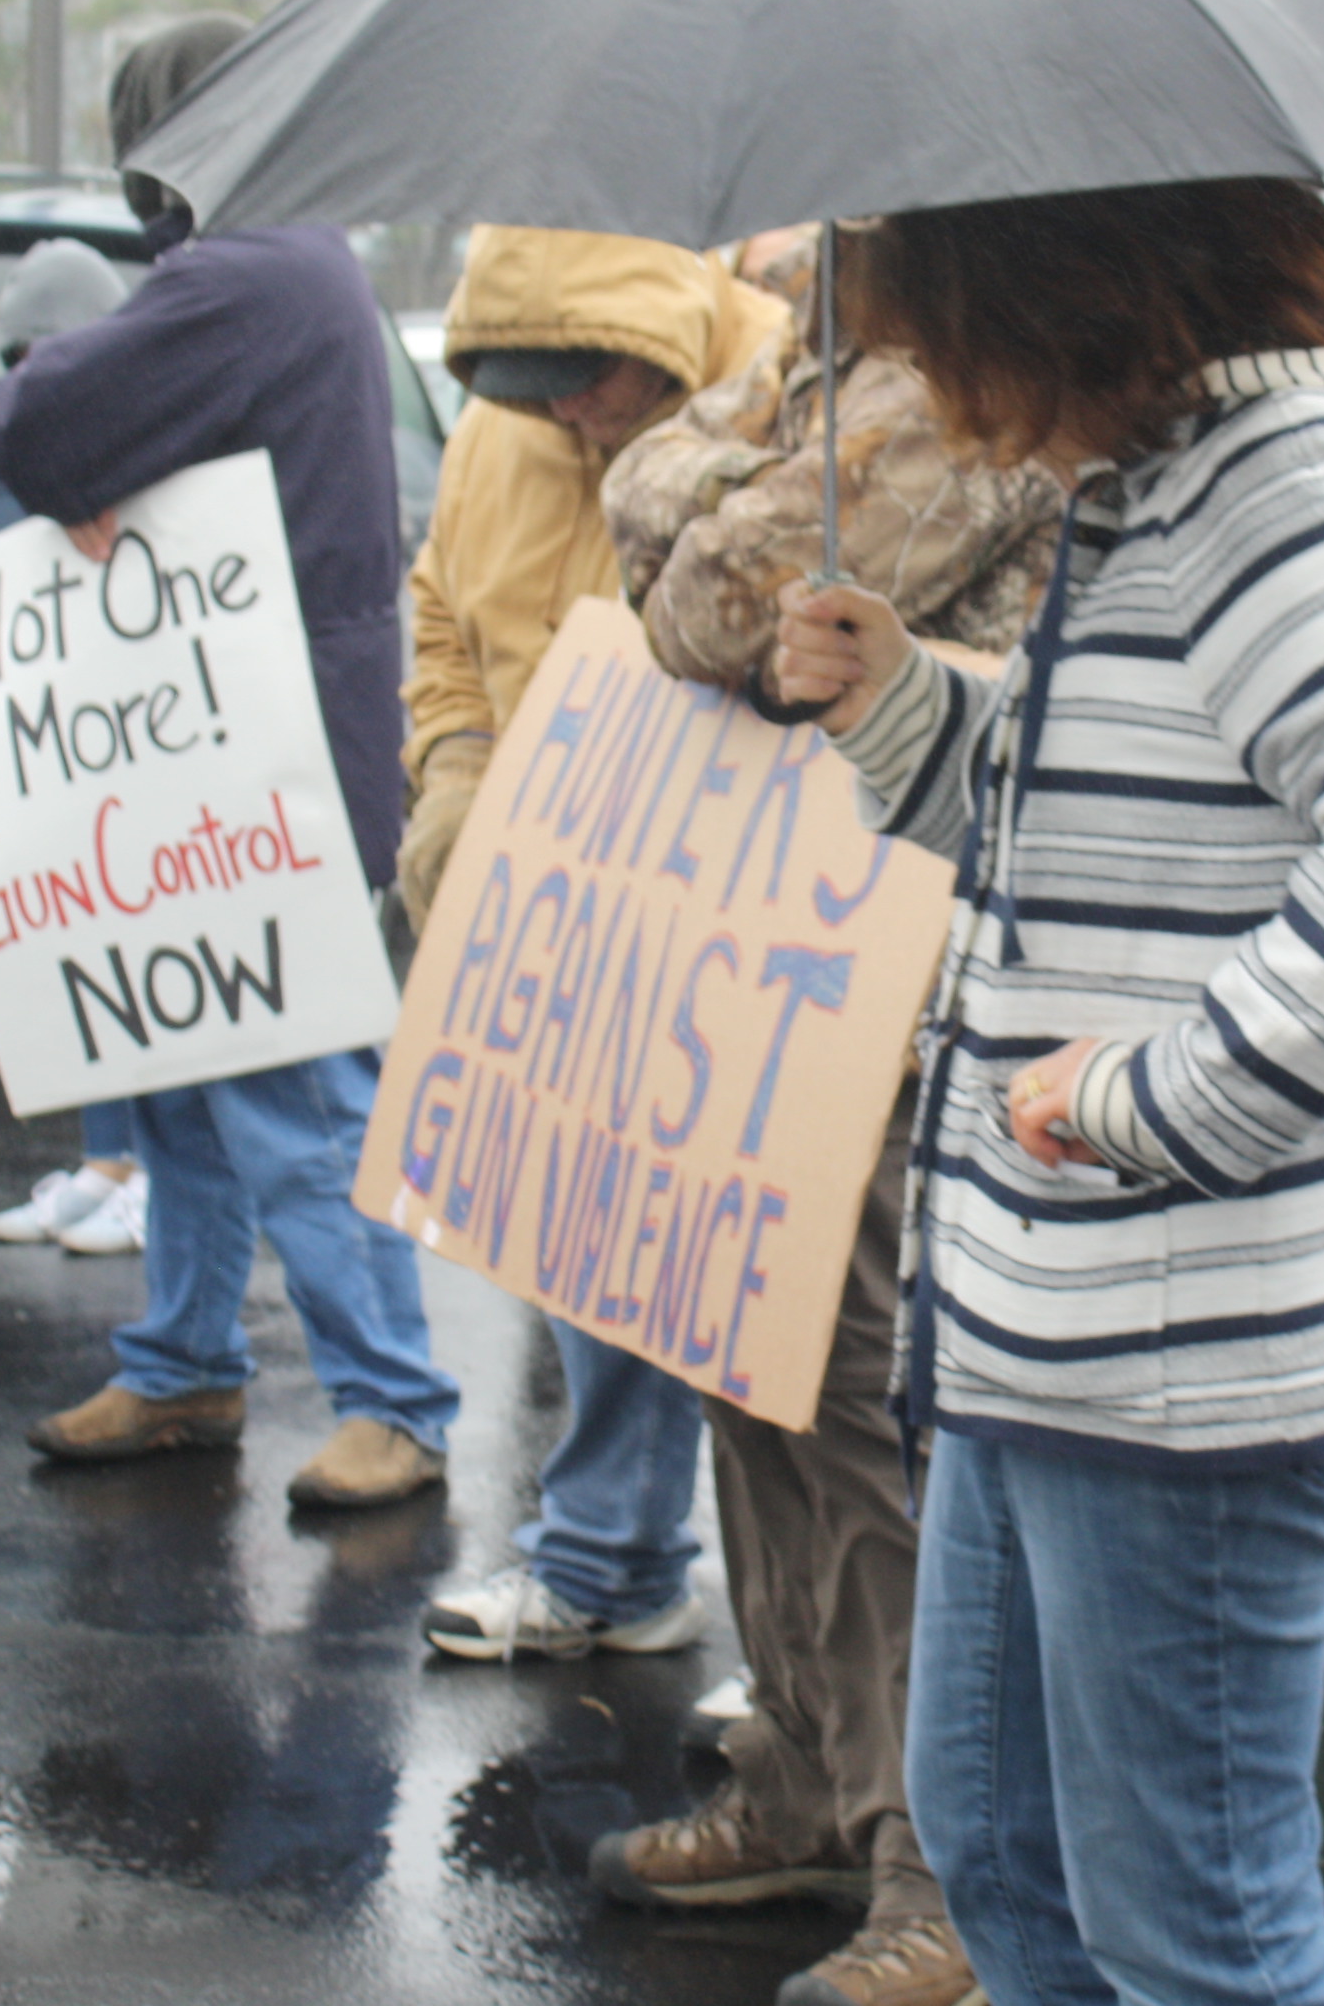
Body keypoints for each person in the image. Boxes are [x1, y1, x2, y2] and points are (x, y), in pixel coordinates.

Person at [769, 179, 1324, 2006]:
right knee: (1009, 1862)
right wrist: (901, 705)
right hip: (1067, 1332)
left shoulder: (1287, 487)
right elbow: (1104, 836)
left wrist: (1167, 1099)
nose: (932, 385)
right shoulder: (1166, 484)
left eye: (934, 332)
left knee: (1191, 1934)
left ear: (1046, 294)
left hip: (1187, 1353)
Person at [592, 241, 1059, 2006]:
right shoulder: (830, 349)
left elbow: (714, 601)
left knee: (862, 1400)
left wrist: (717, 509)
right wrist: (728, 488)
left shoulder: (967, 360)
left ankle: (937, 1866)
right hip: (769, 933)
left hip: (898, 953)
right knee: (745, 1357)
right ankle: (802, 1775)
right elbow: (640, 481)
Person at [0, 15, 459, 1510]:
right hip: (240, 744)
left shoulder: (241, 271)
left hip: (260, 759)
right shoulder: (303, 258)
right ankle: (184, 1359)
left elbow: (37, 418)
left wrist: (64, 447)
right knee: (185, 1074)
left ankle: (395, 1401)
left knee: (291, 1085)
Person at [397, 221, 786, 1663]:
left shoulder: (790, 387)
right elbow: (441, 611)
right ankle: (608, 1565)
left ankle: (810, 1678)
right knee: (590, 1257)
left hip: (757, 917)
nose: (567, 411)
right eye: (531, 385)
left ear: (658, 342)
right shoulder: (500, 430)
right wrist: (452, 768)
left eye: (590, 378)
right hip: (566, 916)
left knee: (778, 1295)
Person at [0, 236, 144, 1253]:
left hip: (134, 752)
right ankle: (106, 1155)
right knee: (81, 955)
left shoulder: (146, 442)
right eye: (18, 361)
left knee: (139, 954)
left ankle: (146, 1166)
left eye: (52, 355)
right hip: (52, 750)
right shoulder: (13, 453)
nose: (33, 381)